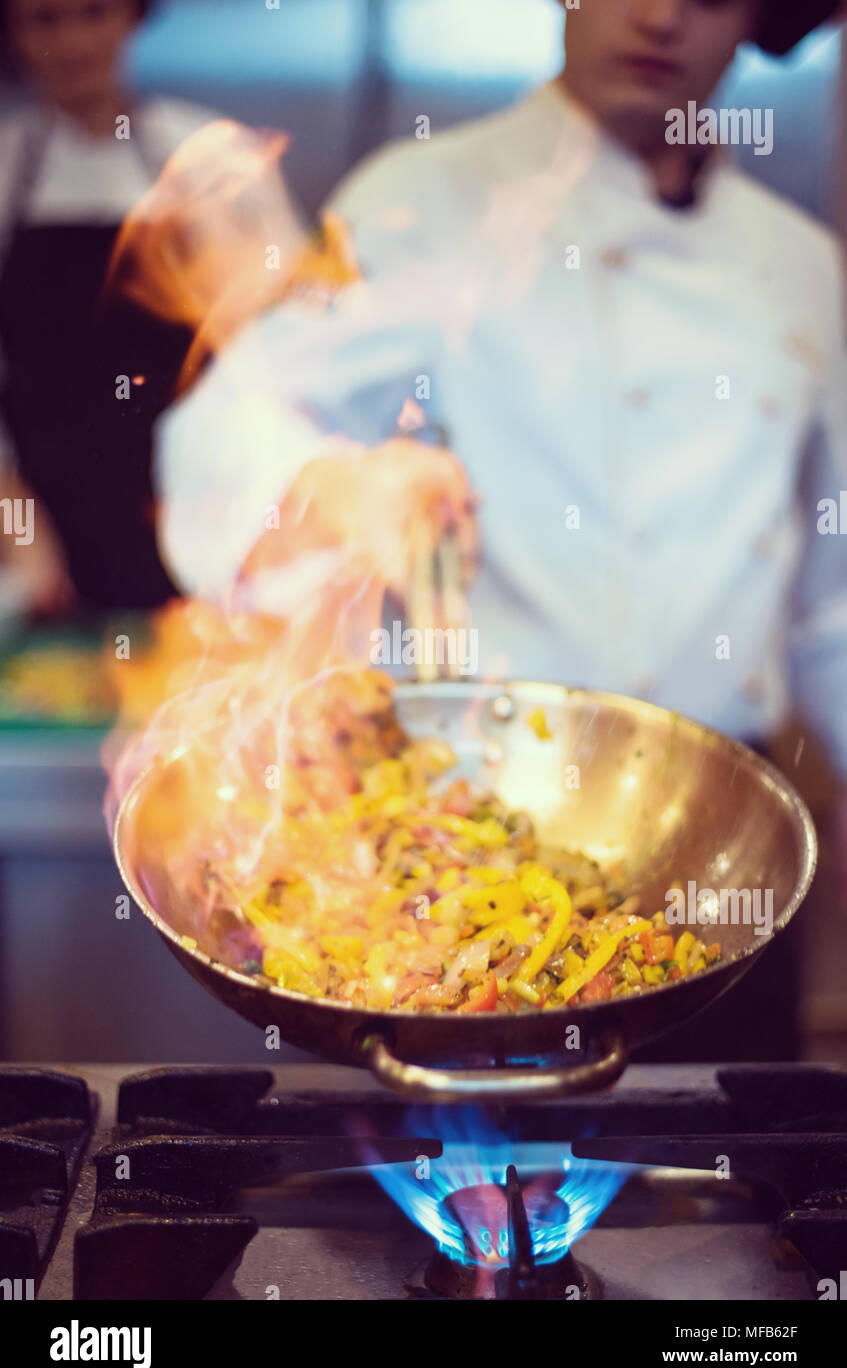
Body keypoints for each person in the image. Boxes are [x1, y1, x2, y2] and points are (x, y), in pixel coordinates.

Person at [156, 0, 846, 1059]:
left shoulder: (801, 266)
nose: (658, 14)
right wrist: (339, 485)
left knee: (736, 1211)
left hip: (716, 863)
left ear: (764, 18)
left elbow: (831, 609)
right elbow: (221, 428)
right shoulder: (418, 201)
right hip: (465, 852)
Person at [0, 0, 221, 615]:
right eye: (44, 20)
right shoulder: (4, 166)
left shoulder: (205, 157)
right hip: (44, 534)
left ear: (133, 17)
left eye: (93, 14)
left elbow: (269, 353)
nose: (72, 42)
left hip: (194, 511)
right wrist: (20, 532)